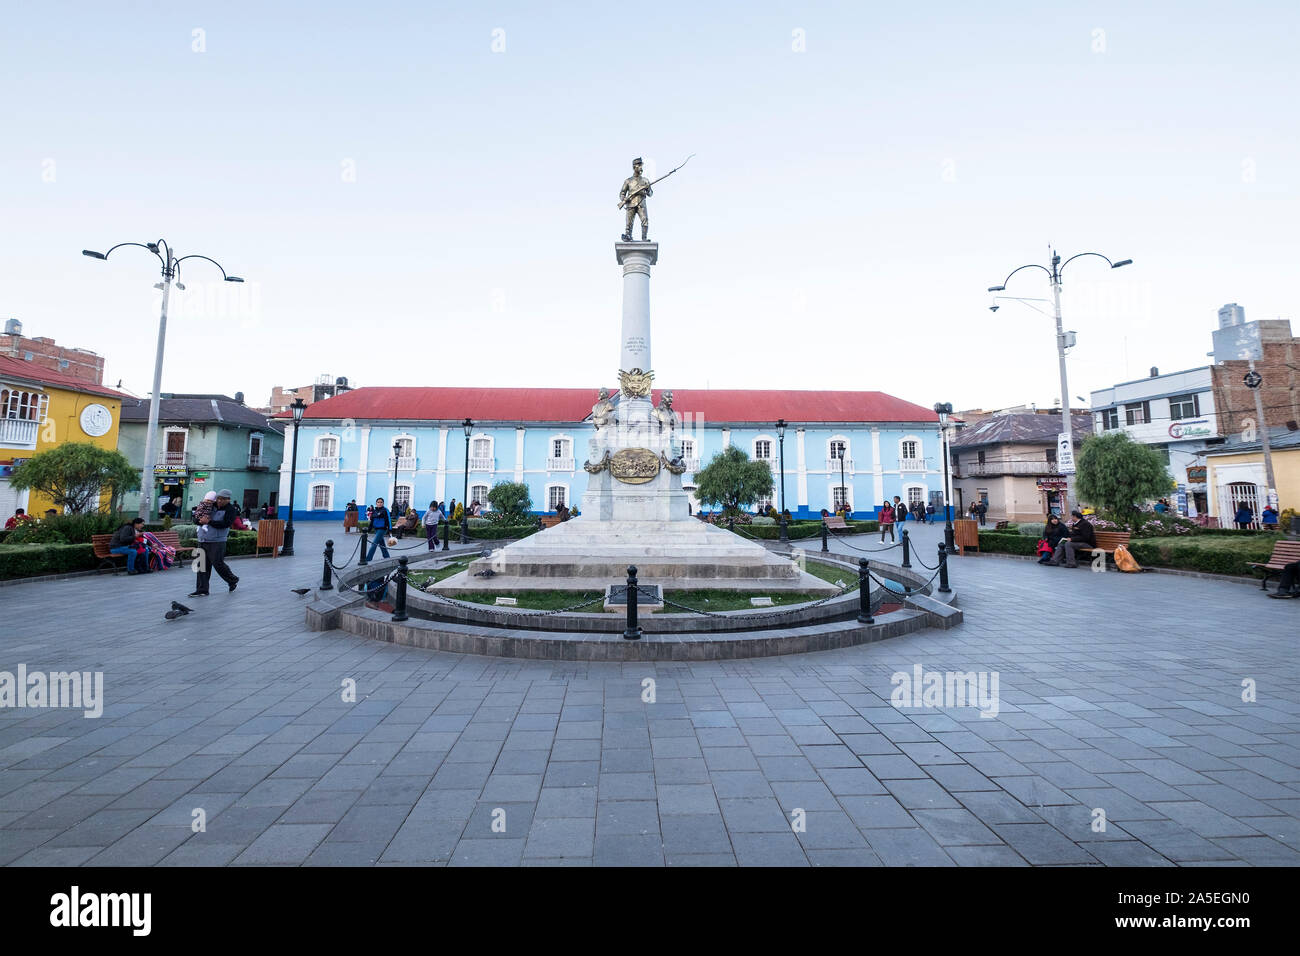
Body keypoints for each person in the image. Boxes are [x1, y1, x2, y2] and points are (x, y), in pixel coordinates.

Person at [191, 489, 240, 596]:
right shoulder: (210, 506)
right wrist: (198, 520)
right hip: (203, 539)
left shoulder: (231, 510)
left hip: (217, 541)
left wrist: (209, 522)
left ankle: (232, 579)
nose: (219, 501)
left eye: (222, 499)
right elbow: (197, 517)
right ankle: (202, 589)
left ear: (228, 499)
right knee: (201, 565)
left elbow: (226, 523)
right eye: (218, 498)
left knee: (218, 563)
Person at [366, 497, 392, 561]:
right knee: (382, 544)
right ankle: (387, 557)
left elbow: (388, 520)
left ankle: (368, 559)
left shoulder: (385, 510)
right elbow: (372, 521)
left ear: (383, 503)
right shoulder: (374, 511)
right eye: (378, 502)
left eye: (381, 502)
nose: (379, 503)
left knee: (374, 544)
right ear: (376, 503)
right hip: (376, 529)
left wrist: (390, 529)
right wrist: (368, 530)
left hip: (382, 529)